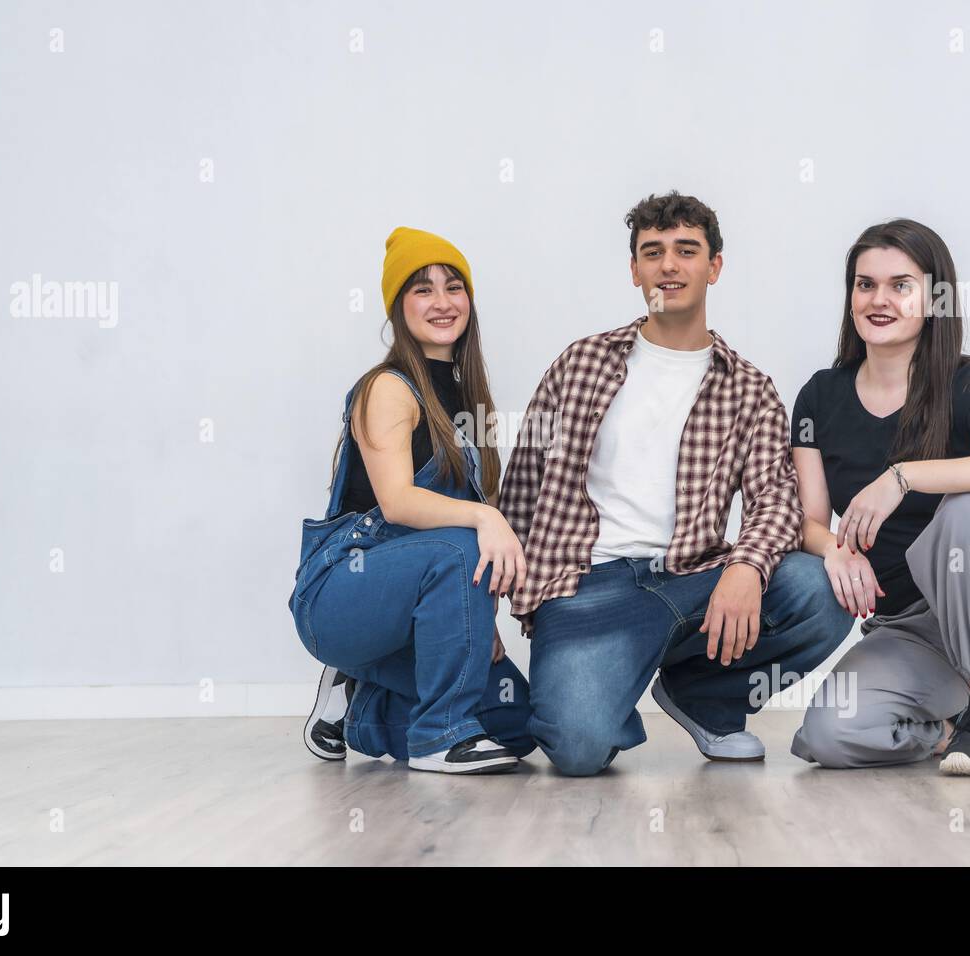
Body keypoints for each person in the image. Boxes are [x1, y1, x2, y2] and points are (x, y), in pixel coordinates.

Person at [497, 191, 853, 777]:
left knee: (819, 587)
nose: (669, 266)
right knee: (577, 751)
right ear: (634, 269)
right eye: (653, 252)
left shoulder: (749, 388)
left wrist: (744, 567)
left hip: (696, 579)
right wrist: (500, 606)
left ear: (714, 266)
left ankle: (704, 695)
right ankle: (613, 681)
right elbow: (522, 488)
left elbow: (778, 505)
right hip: (587, 586)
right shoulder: (579, 363)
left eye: (686, 250)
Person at [788, 218, 970, 775]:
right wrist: (835, 551)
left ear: (934, 298)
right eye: (864, 284)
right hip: (913, 628)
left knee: (968, 507)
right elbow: (809, 521)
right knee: (827, 735)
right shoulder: (819, 397)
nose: (879, 299)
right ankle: (955, 728)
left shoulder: (967, 384)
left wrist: (904, 476)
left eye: (901, 285)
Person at [290, 227, 535, 774]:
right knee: (462, 546)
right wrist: (484, 515)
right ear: (398, 307)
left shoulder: (470, 398)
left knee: (519, 722)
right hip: (340, 594)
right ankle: (437, 739)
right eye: (422, 289)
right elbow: (398, 504)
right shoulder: (388, 388)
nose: (443, 302)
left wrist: (474, 617)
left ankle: (361, 705)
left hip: (423, 604)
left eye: (454, 286)